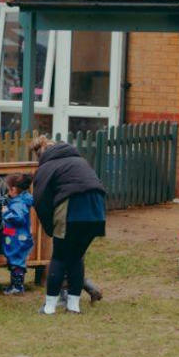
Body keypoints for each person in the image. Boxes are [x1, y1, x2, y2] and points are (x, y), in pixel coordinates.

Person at [31, 135, 106, 315]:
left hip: (71, 208)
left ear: (40, 155)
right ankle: (73, 306)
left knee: (59, 257)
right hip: (96, 209)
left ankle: (49, 307)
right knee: (76, 257)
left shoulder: (46, 167)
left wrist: (50, 228)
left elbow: (40, 201)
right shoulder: (79, 161)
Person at [1, 172, 34, 296]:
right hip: (17, 235)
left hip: (17, 238)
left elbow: (18, 218)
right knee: (15, 260)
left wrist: (6, 212)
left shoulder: (18, 204)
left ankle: (18, 287)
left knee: (16, 261)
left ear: (13, 189)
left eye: (8, 189)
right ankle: (15, 285)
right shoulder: (21, 200)